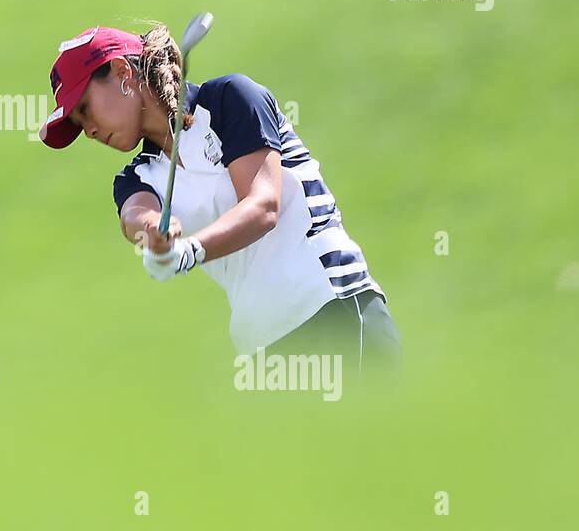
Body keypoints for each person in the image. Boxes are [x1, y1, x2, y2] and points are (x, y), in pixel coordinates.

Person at [38, 23, 402, 381]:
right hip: (264, 350)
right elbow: (136, 212)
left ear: (122, 73)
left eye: (85, 109)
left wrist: (189, 251)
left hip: (332, 308)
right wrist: (154, 235)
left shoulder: (232, 99)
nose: (89, 130)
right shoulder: (137, 177)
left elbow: (263, 207)